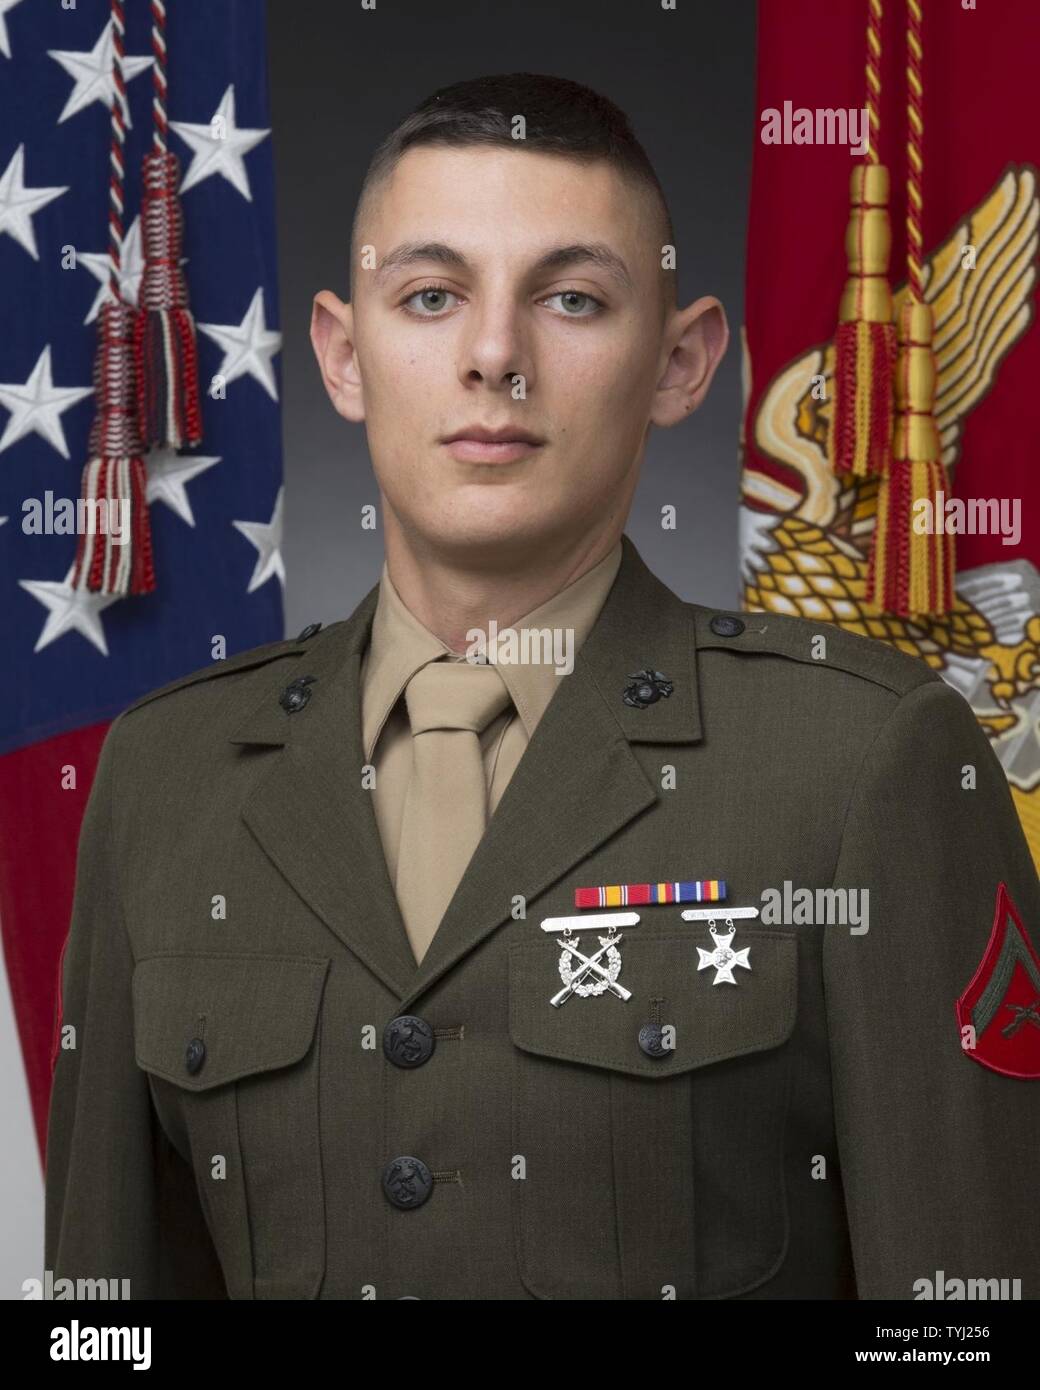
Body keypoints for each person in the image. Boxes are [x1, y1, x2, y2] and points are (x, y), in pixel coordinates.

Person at [45, 72, 1040, 1301]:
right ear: (344, 357)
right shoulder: (165, 772)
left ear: (680, 364)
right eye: (429, 295)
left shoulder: (865, 760)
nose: (495, 357)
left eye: (570, 298)